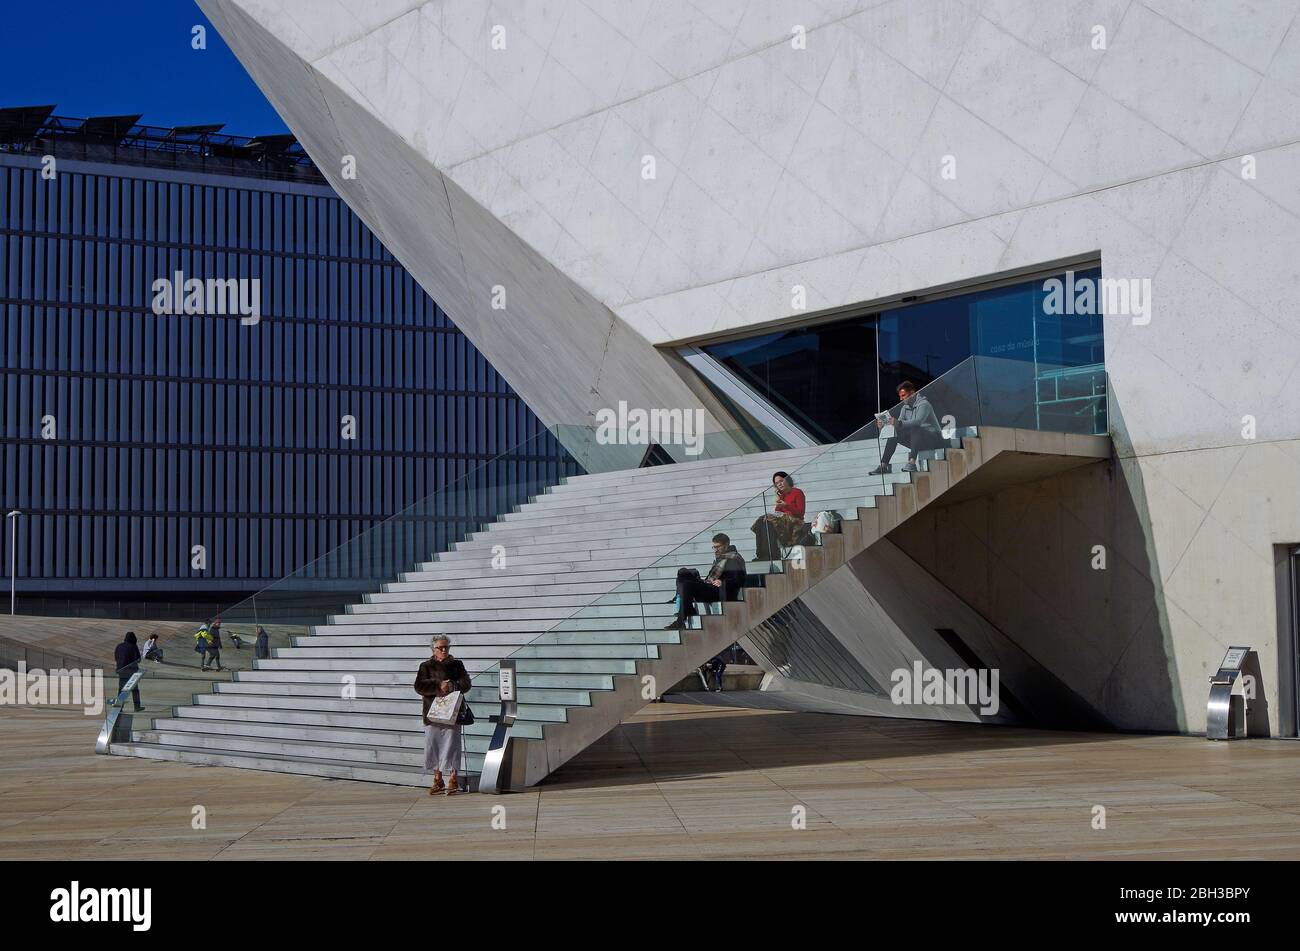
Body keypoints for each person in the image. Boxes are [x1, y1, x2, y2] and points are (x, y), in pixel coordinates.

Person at [414, 635, 472, 796]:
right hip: (432, 712)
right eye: (441, 647)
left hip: (452, 711)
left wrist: (452, 685)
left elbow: (466, 683)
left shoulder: (457, 664)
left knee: (452, 745)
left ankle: (453, 778)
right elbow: (419, 686)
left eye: (446, 647)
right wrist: (438, 685)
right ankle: (437, 779)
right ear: (434, 649)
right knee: (433, 745)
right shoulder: (425, 666)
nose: (444, 650)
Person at [665, 534, 746, 631]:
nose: (715, 550)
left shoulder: (733, 559)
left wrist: (722, 582)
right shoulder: (721, 557)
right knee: (683, 572)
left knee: (687, 585)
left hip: (720, 592)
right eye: (714, 547)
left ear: (727, 544)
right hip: (710, 586)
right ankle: (688, 608)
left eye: (718, 547)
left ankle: (681, 620)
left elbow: (739, 580)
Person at [869, 381, 944, 475]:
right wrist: (883, 426)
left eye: (903, 395)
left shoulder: (924, 404)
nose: (901, 399)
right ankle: (884, 465)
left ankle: (912, 463)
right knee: (896, 432)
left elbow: (918, 421)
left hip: (935, 439)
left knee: (915, 427)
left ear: (912, 393)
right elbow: (899, 426)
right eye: (900, 396)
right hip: (918, 441)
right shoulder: (905, 408)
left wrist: (899, 423)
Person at [751, 471, 806, 560]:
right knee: (762, 520)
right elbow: (777, 513)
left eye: (781, 481)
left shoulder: (797, 492)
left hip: (795, 523)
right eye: (776, 483)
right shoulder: (781, 496)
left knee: (769, 522)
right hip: (783, 522)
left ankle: (771, 555)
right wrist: (778, 498)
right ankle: (761, 553)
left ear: (787, 480)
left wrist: (786, 505)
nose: (779, 484)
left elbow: (800, 512)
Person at [114, 631, 145, 712]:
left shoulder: (119, 646)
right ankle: (137, 706)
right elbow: (138, 659)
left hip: (121, 671)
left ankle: (119, 707)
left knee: (121, 689)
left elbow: (116, 657)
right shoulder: (133, 646)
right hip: (131, 671)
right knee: (135, 690)